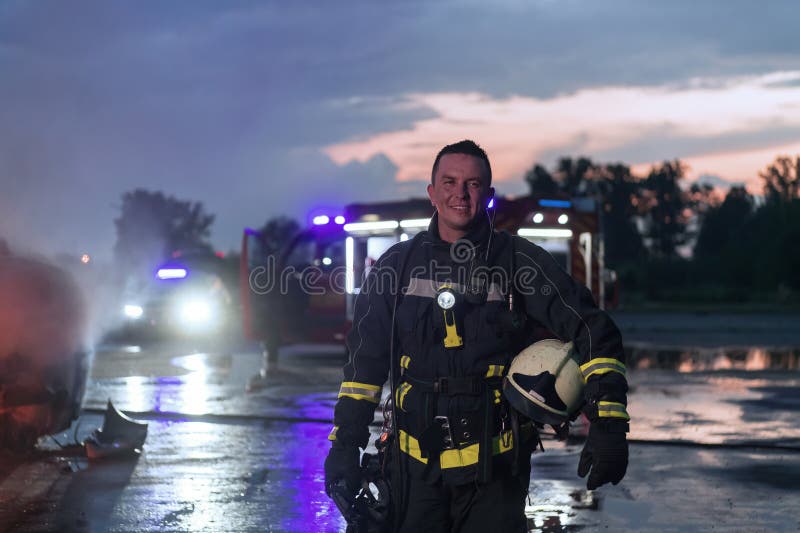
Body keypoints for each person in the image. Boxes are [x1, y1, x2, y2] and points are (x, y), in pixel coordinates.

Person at [325, 140, 629, 532]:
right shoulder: (396, 267)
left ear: (488, 195)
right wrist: (345, 445)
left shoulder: (518, 261)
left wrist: (609, 424)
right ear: (432, 192)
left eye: (473, 183)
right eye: (449, 181)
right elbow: (362, 370)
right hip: (411, 474)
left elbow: (594, 330)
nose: (460, 193)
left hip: (495, 476)